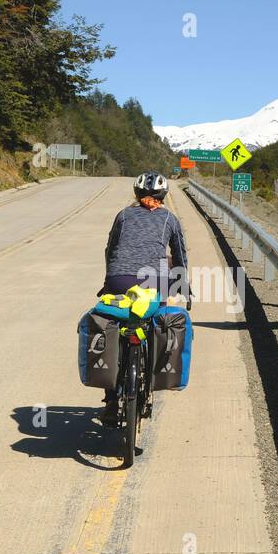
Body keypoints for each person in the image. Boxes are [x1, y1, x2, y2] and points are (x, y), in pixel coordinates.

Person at [98, 172, 190, 425]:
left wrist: (110, 280)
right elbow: (180, 256)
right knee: (154, 322)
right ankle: (151, 375)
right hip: (154, 282)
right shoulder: (170, 218)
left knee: (116, 329)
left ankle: (111, 400)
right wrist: (183, 285)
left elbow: (111, 249)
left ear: (136, 195)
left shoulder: (124, 215)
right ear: (163, 196)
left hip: (118, 280)